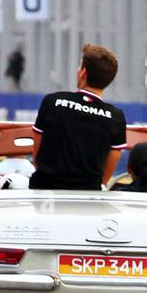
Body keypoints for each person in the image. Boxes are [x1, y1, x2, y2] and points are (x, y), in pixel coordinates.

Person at [29, 44, 127, 191]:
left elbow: (37, 157)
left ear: (83, 73)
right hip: (89, 197)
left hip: (44, 193)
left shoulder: (52, 101)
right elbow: (108, 171)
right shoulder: (116, 117)